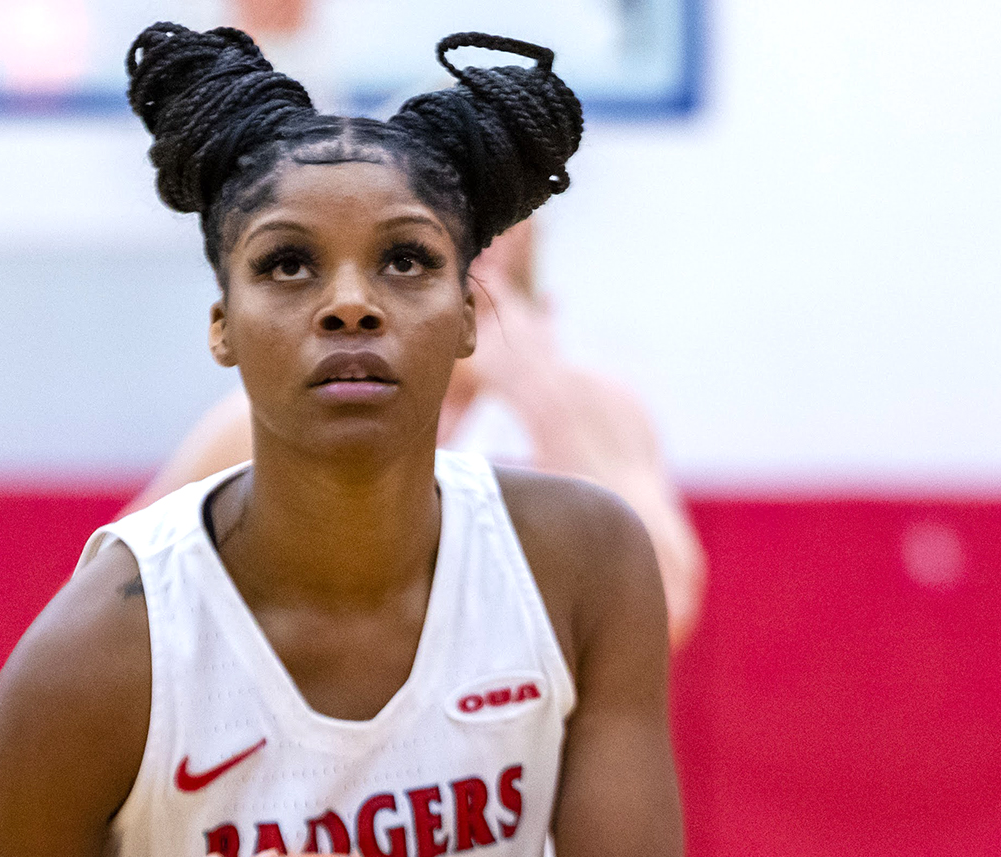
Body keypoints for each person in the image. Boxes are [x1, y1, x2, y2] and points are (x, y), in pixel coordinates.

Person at [0, 23, 682, 857]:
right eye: (288, 264)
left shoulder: (583, 563)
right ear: (221, 323)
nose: (351, 300)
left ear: (471, 313)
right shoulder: (106, 649)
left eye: (406, 259)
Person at [126, 215, 707, 646]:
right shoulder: (281, 413)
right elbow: (123, 581)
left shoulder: (590, 404)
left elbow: (666, 608)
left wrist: (535, 388)